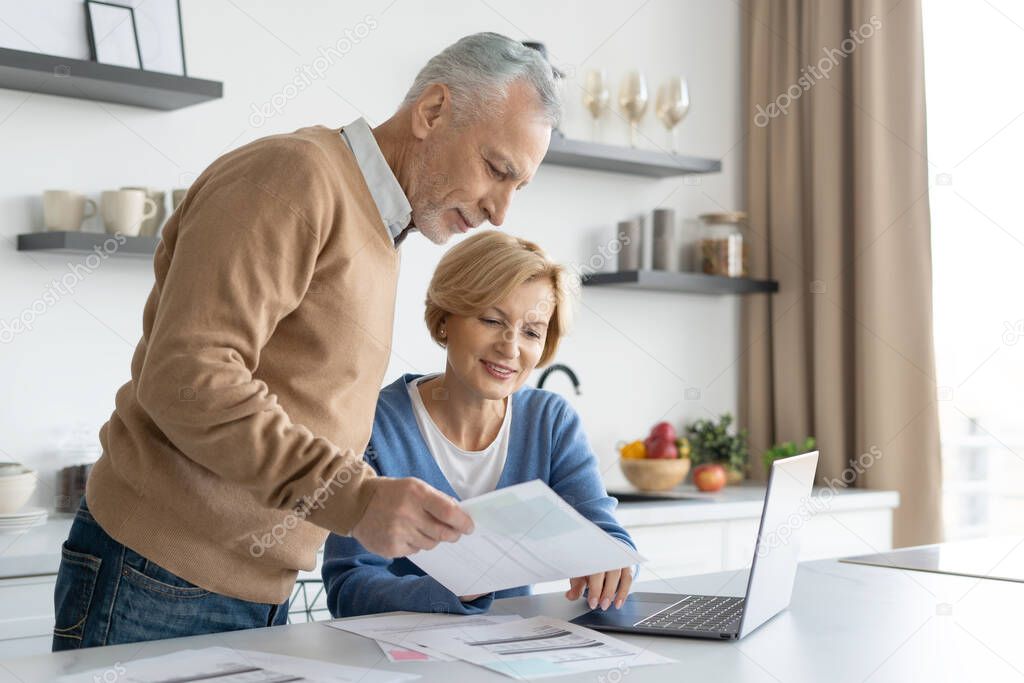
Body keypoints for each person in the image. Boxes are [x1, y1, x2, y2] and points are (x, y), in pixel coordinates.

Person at [53, 33, 561, 650]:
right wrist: (356, 498)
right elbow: (189, 375)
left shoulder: (380, 228)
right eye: (496, 170)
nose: (501, 211)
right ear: (433, 111)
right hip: (157, 577)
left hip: (252, 590)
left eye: (518, 187)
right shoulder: (294, 176)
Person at [322, 231, 636, 617]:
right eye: (491, 319)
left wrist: (614, 562)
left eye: (532, 332)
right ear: (444, 321)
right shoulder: (375, 423)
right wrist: (452, 592)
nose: (510, 346)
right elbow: (348, 588)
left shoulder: (550, 422)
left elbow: (606, 535)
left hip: (514, 662)